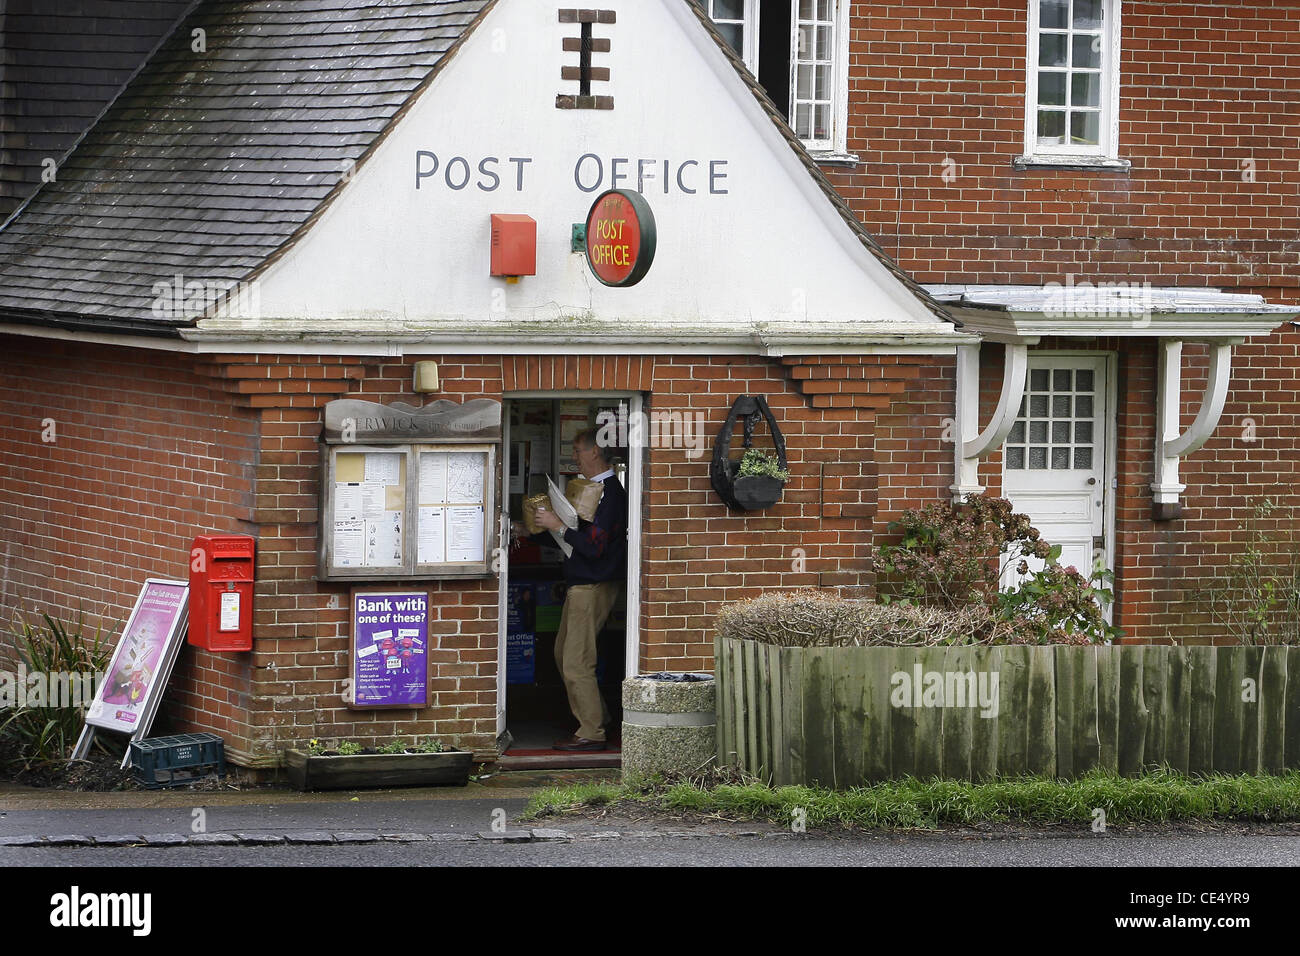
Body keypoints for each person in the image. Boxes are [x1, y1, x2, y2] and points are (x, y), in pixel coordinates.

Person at [512, 429, 627, 751]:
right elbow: (574, 537)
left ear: (594, 453)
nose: (574, 456)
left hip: (593, 583)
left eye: (577, 450)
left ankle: (591, 732)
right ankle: (598, 717)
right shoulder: (593, 489)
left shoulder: (611, 494)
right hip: (583, 582)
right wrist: (531, 531)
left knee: (576, 660)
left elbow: (594, 546)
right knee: (564, 655)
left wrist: (557, 524)